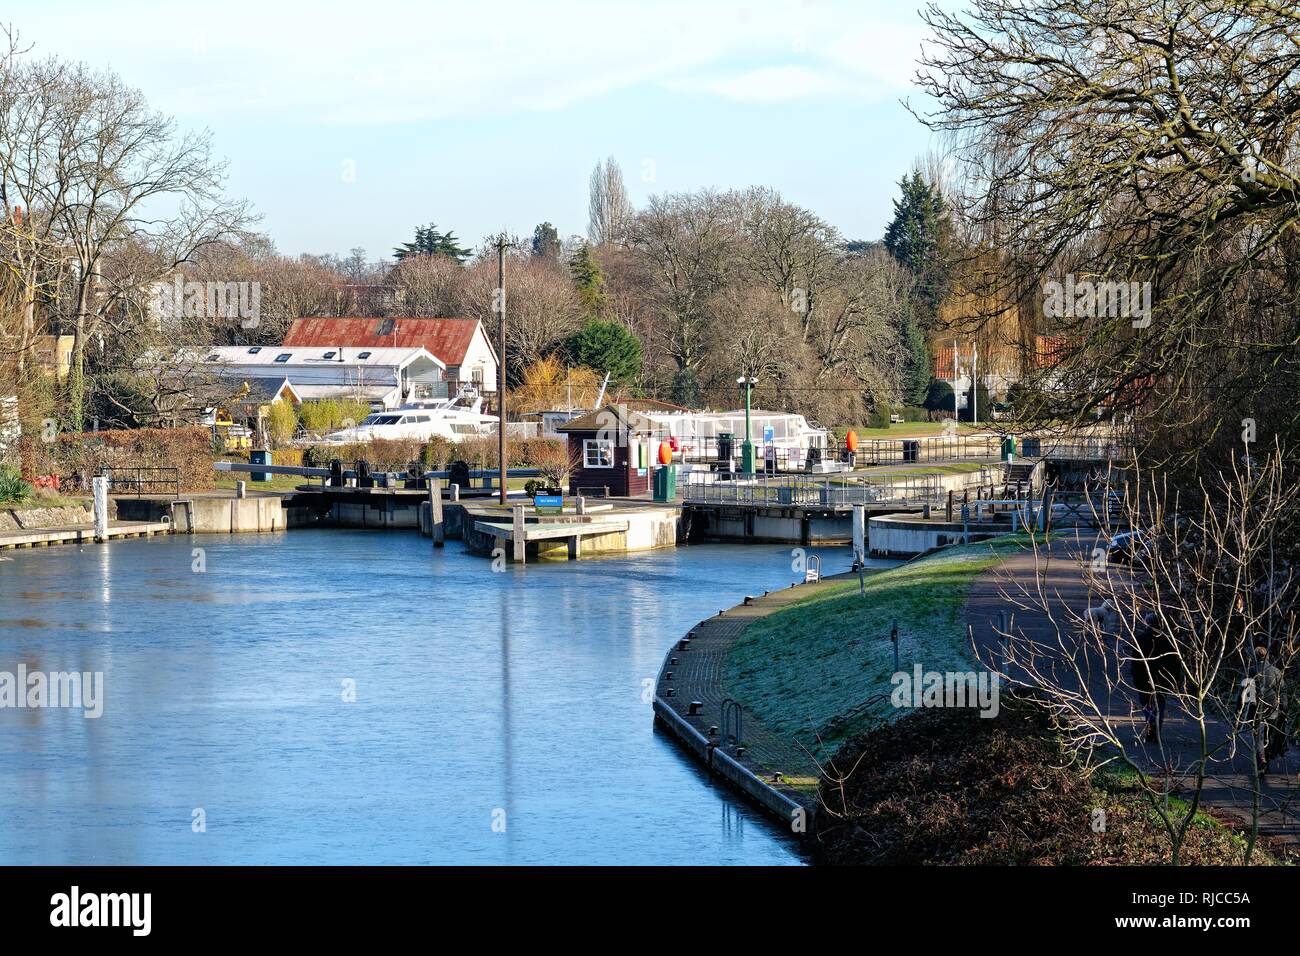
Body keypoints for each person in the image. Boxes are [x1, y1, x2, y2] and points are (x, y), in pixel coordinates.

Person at [1131, 612, 1177, 744]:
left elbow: (1135, 661)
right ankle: (1156, 727)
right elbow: (1175, 661)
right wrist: (1174, 678)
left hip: (1144, 677)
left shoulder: (1140, 639)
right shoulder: (1167, 640)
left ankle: (1151, 724)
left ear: (1147, 623)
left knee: (1146, 702)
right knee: (1160, 703)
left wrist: (1136, 677)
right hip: (1163, 678)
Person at [1248, 644, 1286, 776]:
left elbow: (1247, 691)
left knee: (1259, 736)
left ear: (1255, 656)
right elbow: (1282, 691)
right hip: (1273, 708)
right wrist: (1283, 707)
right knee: (1269, 736)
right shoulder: (1276, 671)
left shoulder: (1253, 670)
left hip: (1257, 708)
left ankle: (1262, 761)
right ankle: (1266, 763)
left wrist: (1240, 709)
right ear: (1268, 656)